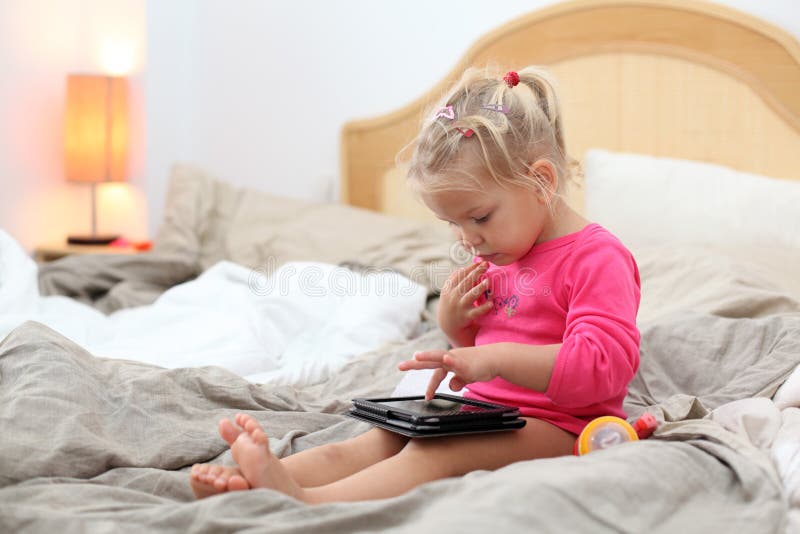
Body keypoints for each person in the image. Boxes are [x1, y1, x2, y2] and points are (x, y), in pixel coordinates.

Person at [189, 66, 641, 504]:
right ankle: (253, 480)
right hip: (487, 412)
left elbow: (602, 366)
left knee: (433, 452)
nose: (468, 239)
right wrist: (455, 323)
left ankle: (307, 501)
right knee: (378, 439)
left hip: (562, 426)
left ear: (541, 181)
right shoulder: (502, 248)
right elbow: (482, 346)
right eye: (452, 223)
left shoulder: (597, 258)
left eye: (479, 217)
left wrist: (494, 359)